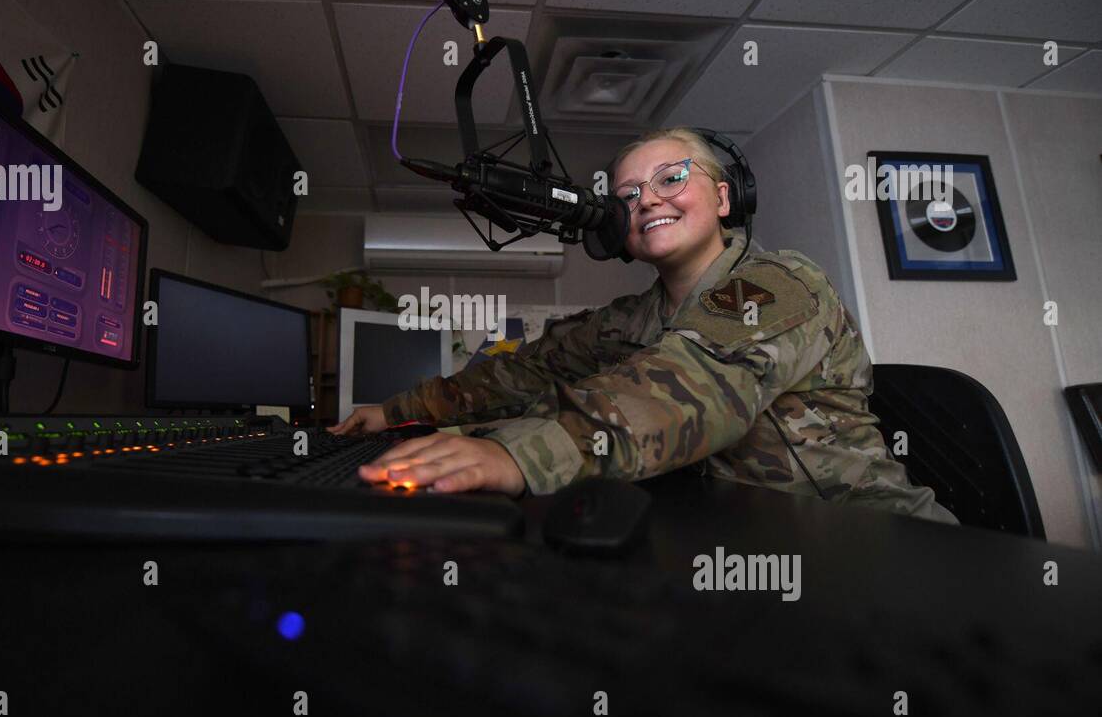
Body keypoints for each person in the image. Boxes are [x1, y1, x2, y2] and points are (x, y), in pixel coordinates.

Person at [329, 127, 959, 524]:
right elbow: (527, 368)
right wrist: (396, 411)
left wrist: (514, 455)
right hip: (748, 540)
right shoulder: (634, 318)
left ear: (721, 198)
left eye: (671, 178)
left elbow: (690, 385)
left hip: (879, 546)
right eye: (628, 195)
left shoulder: (779, 283)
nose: (647, 199)